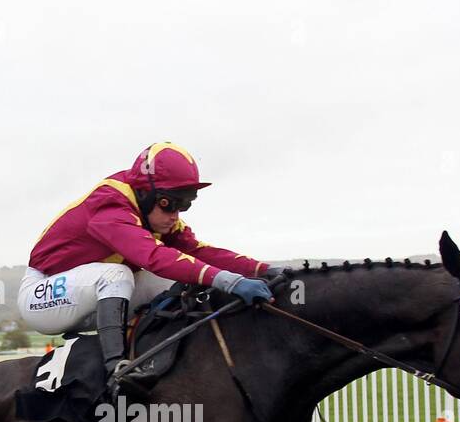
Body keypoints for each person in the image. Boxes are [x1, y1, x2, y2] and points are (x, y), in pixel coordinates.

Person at [19, 142, 275, 379]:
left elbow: (199, 252)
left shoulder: (152, 214)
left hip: (86, 294)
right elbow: (153, 257)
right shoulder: (110, 206)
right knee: (117, 275)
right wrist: (228, 281)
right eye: (169, 204)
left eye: (184, 205)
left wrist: (264, 270)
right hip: (42, 295)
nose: (174, 215)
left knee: (171, 284)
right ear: (144, 193)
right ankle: (115, 367)